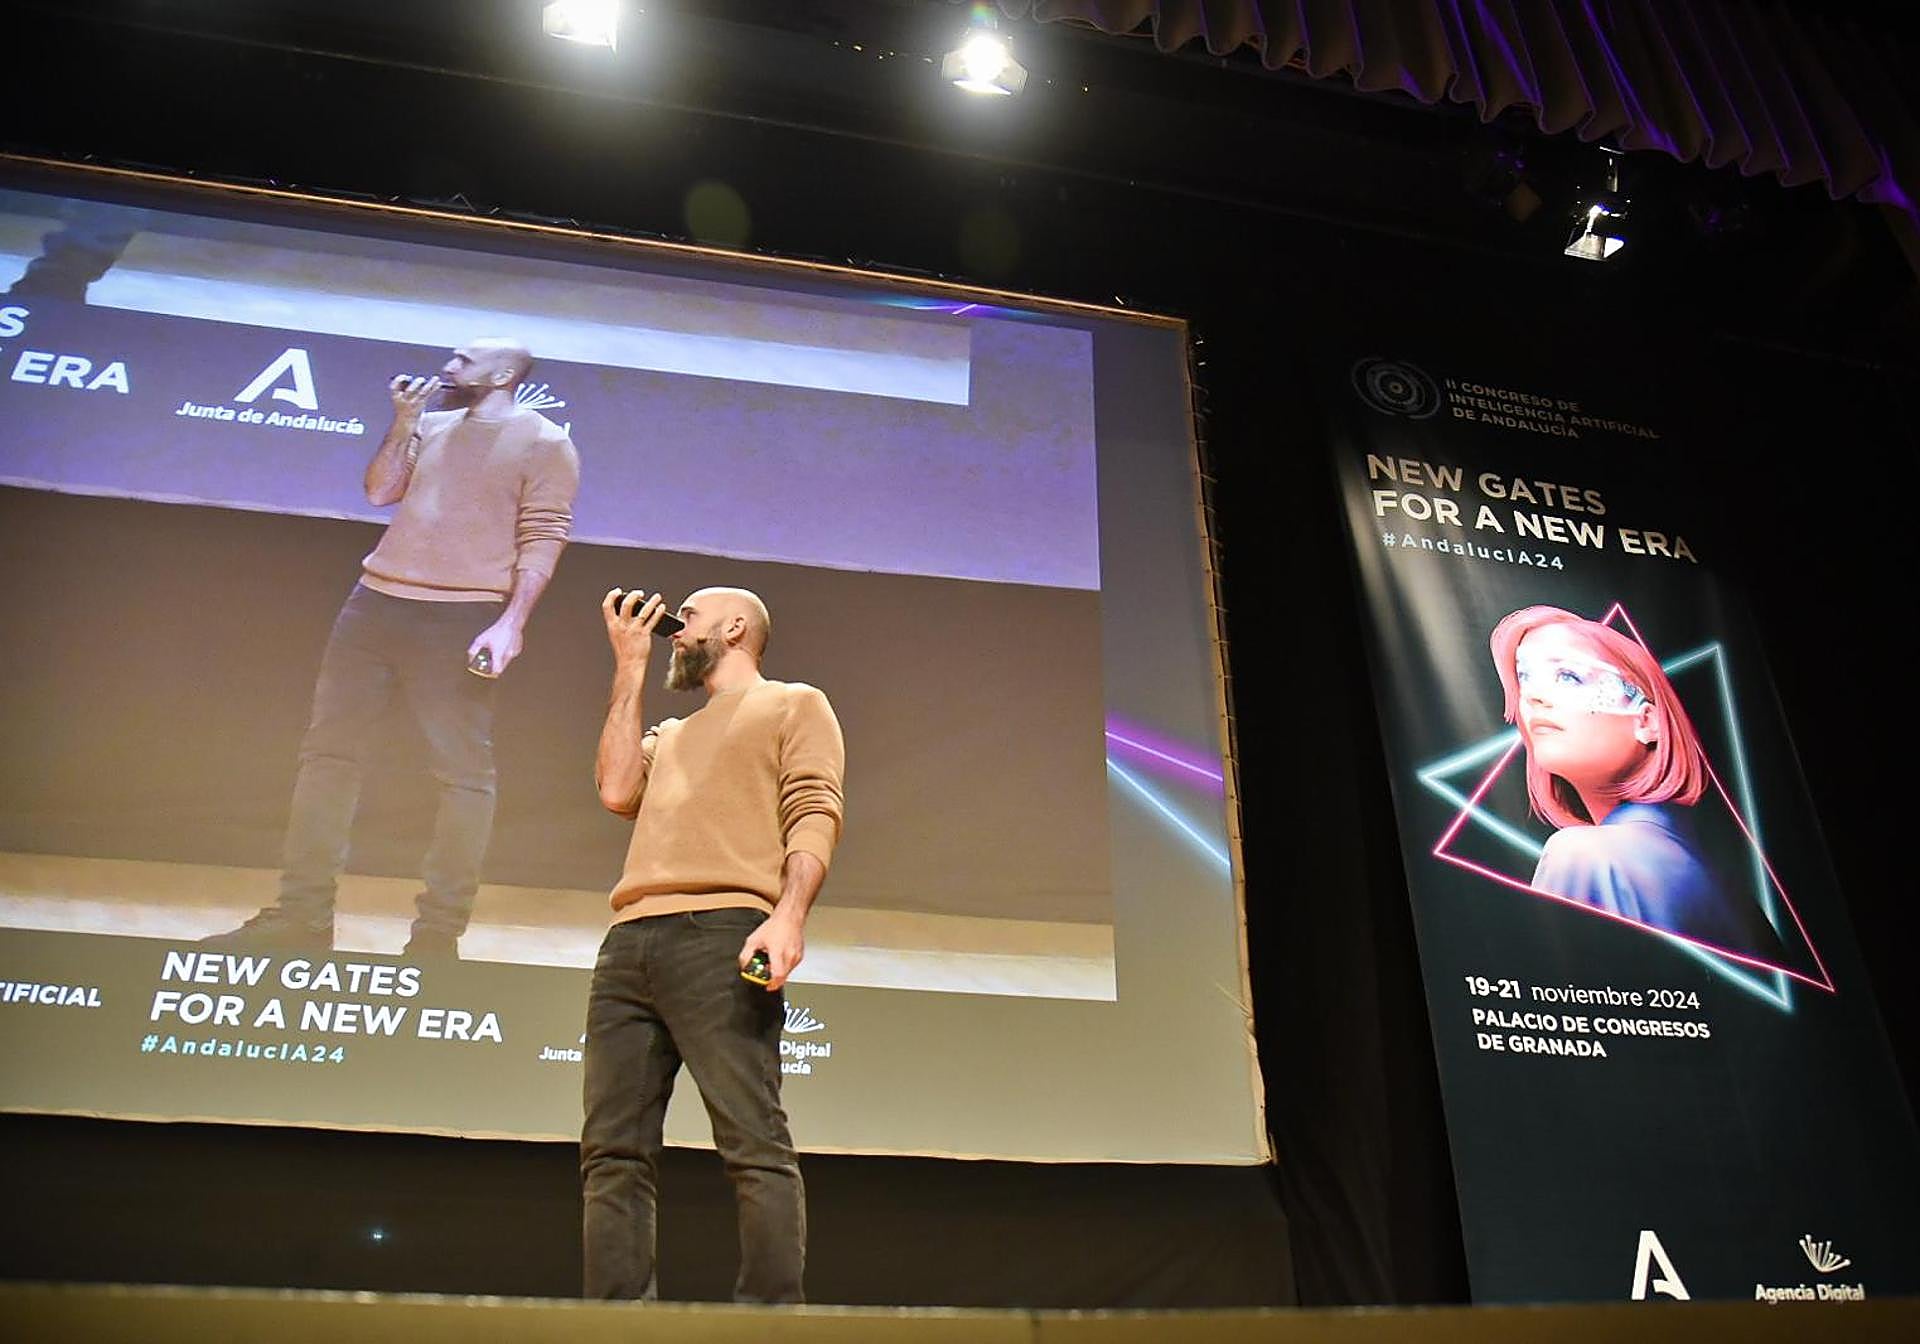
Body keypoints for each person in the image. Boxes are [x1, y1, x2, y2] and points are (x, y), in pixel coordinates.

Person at [208, 339, 580, 956]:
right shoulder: (430, 424)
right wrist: (404, 423)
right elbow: (380, 492)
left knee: (463, 777)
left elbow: (544, 535)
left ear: (505, 373)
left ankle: (437, 935)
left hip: (464, 615)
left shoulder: (545, 442)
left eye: (463, 360)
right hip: (374, 603)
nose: (449, 367)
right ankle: (302, 916)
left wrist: (511, 622)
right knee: (327, 756)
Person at [581, 585, 844, 1304]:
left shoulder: (793, 702)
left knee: (751, 1142)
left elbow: (815, 809)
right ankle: (614, 1322)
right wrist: (628, 667)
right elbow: (613, 789)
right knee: (613, 1152)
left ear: (734, 628)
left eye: (685, 618)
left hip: (724, 933)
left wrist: (788, 916)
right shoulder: (670, 734)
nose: (674, 629)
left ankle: (767, 1320)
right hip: (629, 943)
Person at [1489, 605, 1751, 951]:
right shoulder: (1737, 898)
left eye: (1569, 676)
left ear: (1647, 720)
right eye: (1525, 678)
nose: (1533, 697)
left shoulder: (1583, 854)